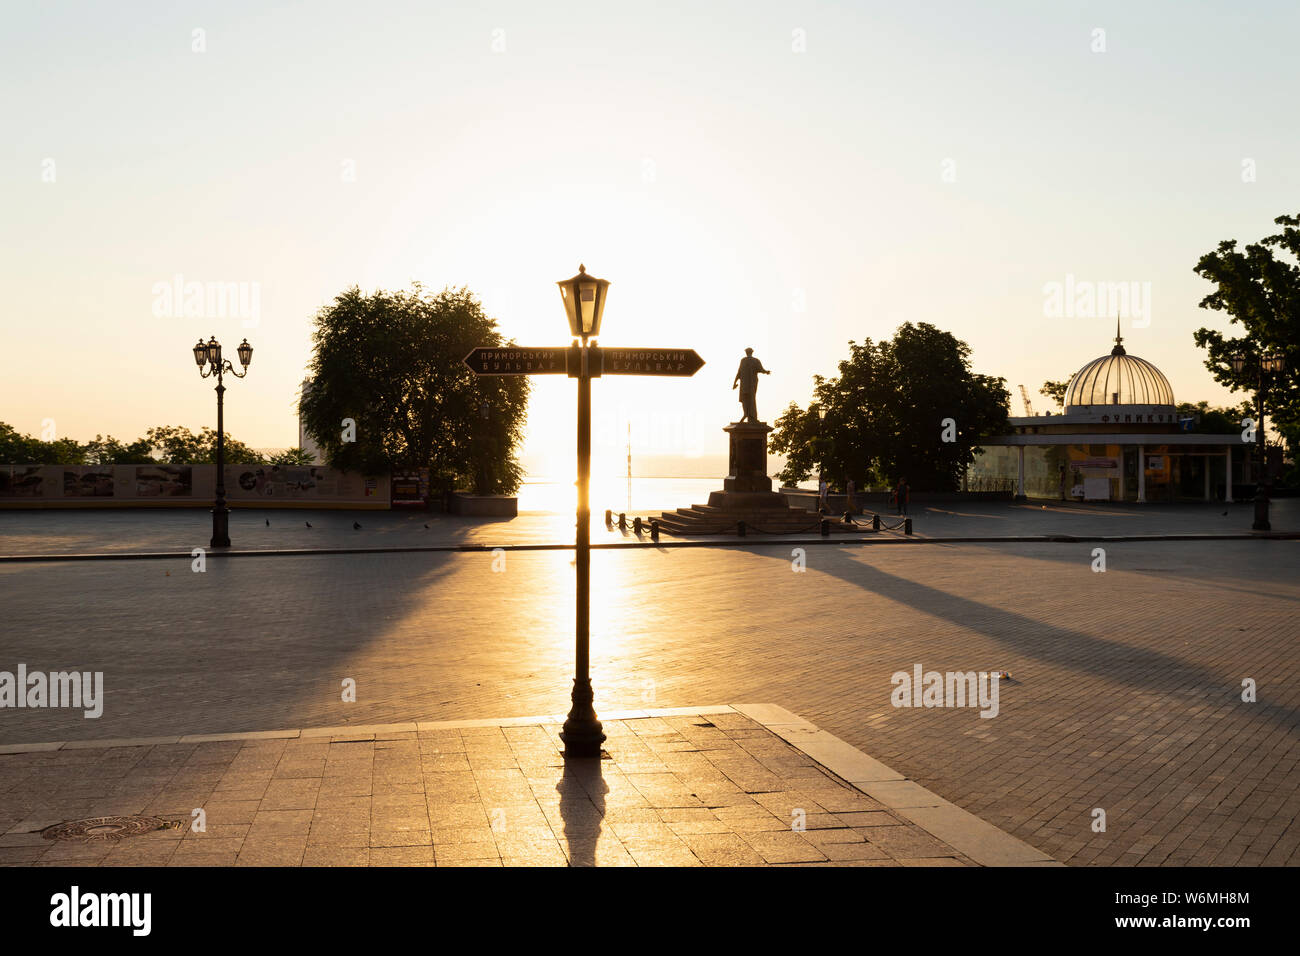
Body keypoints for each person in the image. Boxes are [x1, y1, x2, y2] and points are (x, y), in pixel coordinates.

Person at [732, 348, 770, 423]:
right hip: (748, 384)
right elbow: (761, 369)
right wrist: (766, 372)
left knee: (747, 399)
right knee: (749, 399)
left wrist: (734, 383)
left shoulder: (747, 360)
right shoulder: (751, 360)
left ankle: (749, 415)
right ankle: (748, 415)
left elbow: (739, 373)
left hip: (748, 384)